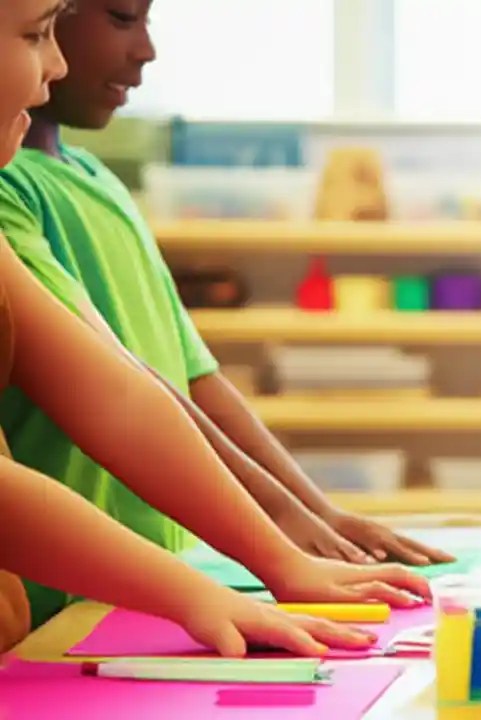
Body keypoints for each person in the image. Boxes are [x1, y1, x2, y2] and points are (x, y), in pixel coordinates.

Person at [0, 0, 451, 627]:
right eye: (36, 33)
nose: (54, 60)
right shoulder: (14, 192)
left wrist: (288, 549)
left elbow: (122, 394)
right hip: (71, 600)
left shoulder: (87, 185)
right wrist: (220, 580)